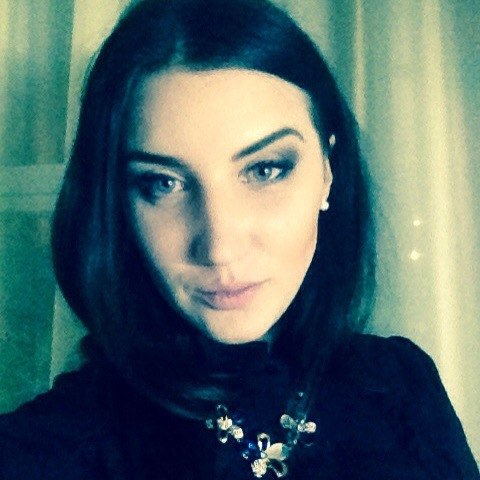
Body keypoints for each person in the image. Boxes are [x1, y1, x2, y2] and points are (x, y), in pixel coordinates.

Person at [0, 0, 478, 478]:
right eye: (163, 183)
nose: (219, 248)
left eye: (266, 169)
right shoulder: (44, 453)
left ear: (327, 172)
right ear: (118, 204)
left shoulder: (401, 387)